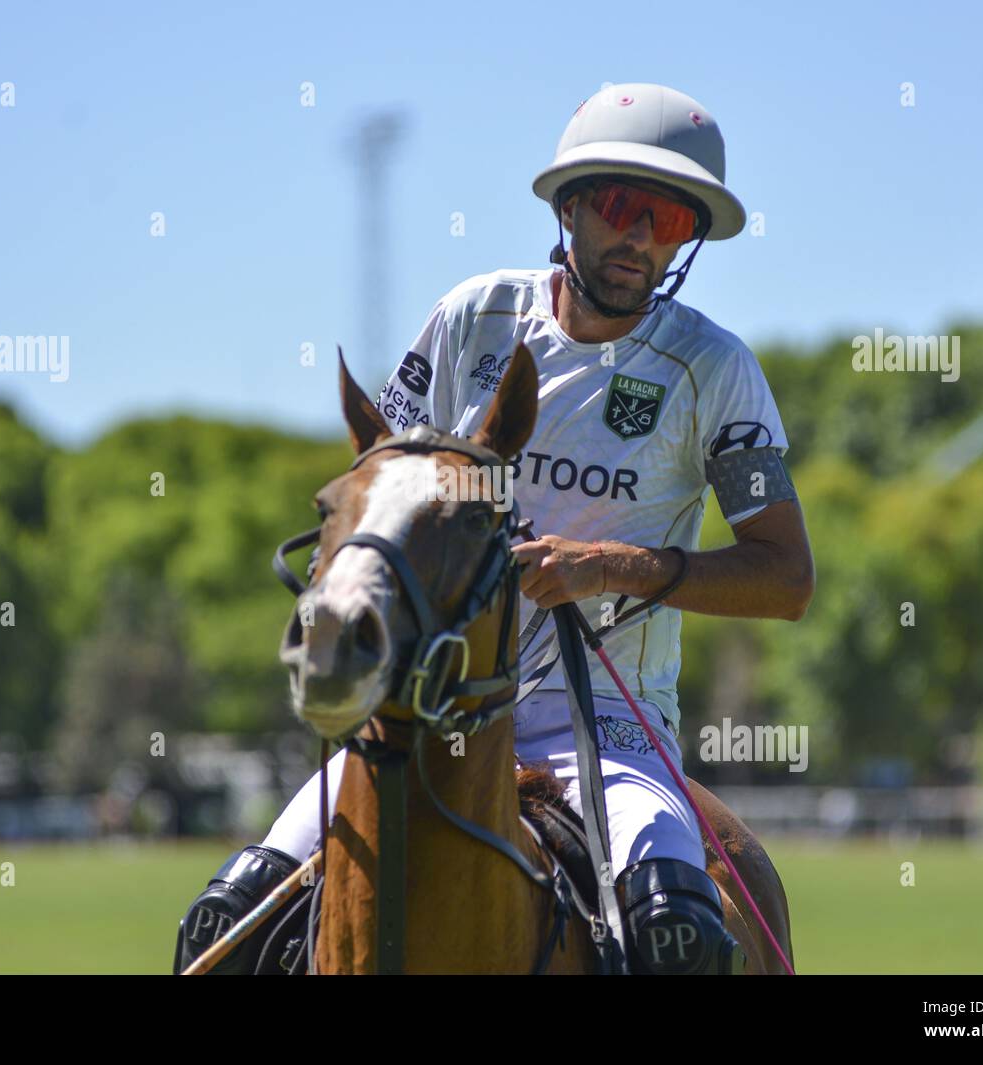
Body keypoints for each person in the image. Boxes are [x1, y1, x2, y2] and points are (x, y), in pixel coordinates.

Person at [174, 82, 814, 976]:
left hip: (607, 739)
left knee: (676, 939)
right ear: (570, 208)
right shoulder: (472, 317)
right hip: (428, 711)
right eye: (625, 207)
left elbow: (785, 578)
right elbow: (384, 478)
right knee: (221, 927)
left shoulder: (716, 370)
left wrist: (618, 565)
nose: (640, 237)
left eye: (670, 221)